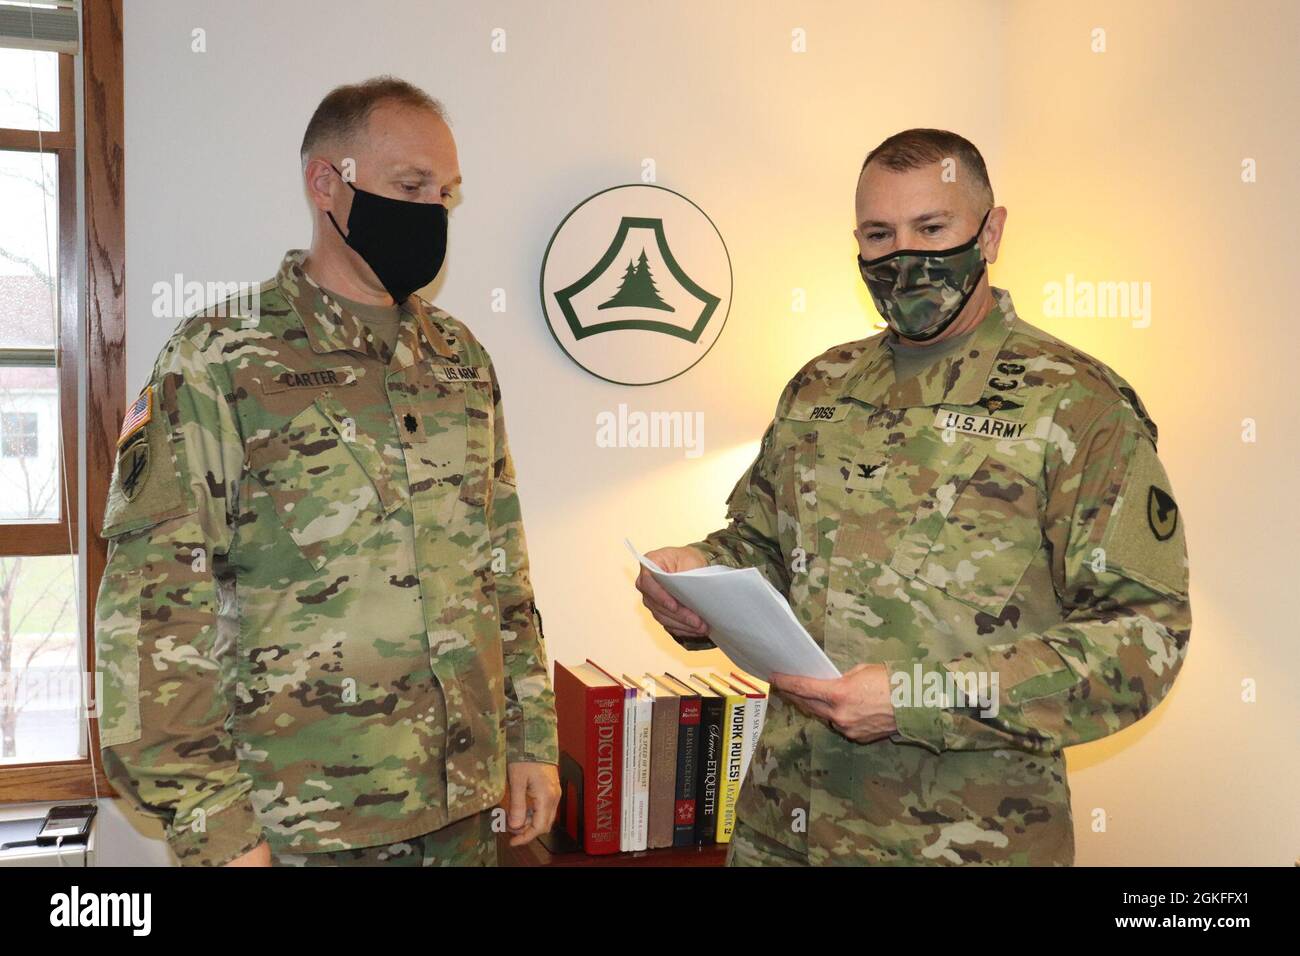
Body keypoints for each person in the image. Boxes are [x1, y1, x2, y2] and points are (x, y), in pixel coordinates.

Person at [636, 128, 1190, 865]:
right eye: (879, 234)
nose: (904, 256)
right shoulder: (820, 387)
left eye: (932, 228)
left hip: (963, 843)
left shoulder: (1076, 406)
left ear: (990, 231)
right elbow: (763, 548)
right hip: (783, 825)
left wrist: (919, 698)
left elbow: (1143, 639)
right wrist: (695, 579)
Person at [94, 76, 559, 867]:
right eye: (409, 187)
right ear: (326, 184)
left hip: (468, 810)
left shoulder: (458, 360)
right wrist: (215, 825)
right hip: (299, 826)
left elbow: (502, 571)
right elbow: (155, 609)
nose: (431, 213)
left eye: (445, 193)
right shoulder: (220, 358)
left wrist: (531, 736)